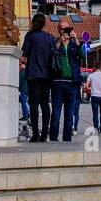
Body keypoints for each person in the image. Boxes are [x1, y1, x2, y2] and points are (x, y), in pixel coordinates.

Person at [21, 13, 55, 144]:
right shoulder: (50, 37)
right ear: (44, 24)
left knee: (34, 105)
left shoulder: (30, 36)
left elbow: (25, 53)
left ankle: (35, 134)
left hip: (33, 75)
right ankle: (44, 134)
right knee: (45, 104)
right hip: (47, 75)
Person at [49, 22, 84, 142]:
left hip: (72, 83)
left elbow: (83, 55)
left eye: (69, 28)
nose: (67, 31)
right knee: (56, 113)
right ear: (59, 30)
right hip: (58, 82)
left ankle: (67, 138)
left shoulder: (74, 44)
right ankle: (53, 137)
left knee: (69, 114)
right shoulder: (55, 42)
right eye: (64, 29)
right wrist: (60, 40)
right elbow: (52, 53)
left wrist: (76, 39)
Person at [87, 65, 101, 135]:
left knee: (95, 114)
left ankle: (96, 129)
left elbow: (86, 86)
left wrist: (92, 89)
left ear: (94, 68)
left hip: (94, 96)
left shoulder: (91, 76)